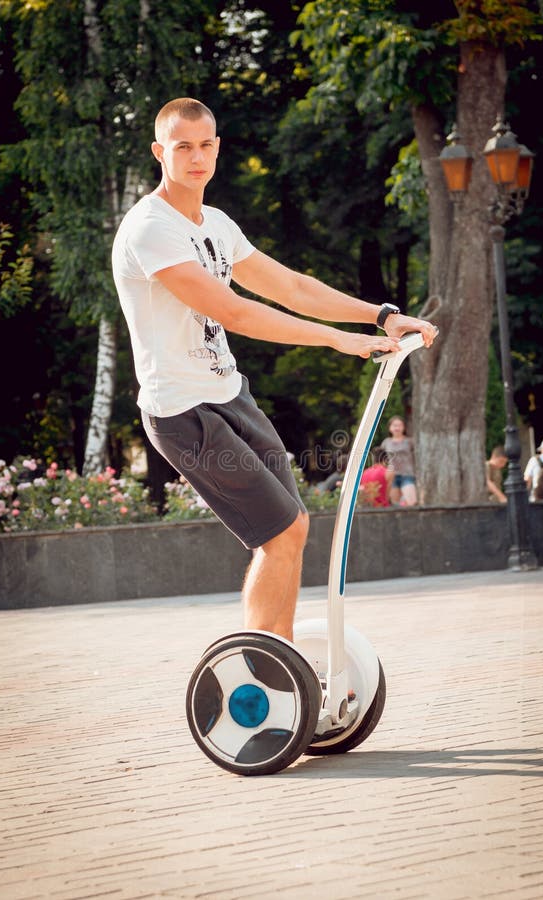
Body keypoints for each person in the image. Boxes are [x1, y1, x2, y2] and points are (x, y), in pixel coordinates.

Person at [112, 97, 437, 641]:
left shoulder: (214, 223)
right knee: (281, 532)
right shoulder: (150, 228)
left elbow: (289, 287)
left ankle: (279, 665)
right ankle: (262, 676)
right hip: (182, 411)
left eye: (206, 144)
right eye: (183, 146)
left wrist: (382, 317)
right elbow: (234, 311)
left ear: (218, 148)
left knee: (294, 527)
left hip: (229, 394)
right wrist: (340, 342)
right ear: (158, 152)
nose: (197, 156)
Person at [380, 415, 417, 506]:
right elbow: (381, 458)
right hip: (392, 476)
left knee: (412, 502)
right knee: (395, 504)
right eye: (394, 425)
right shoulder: (386, 442)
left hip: (408, 474)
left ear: (404, 427)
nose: (397, 427)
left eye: (399, 425)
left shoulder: (410, 441)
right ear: (389, 428)